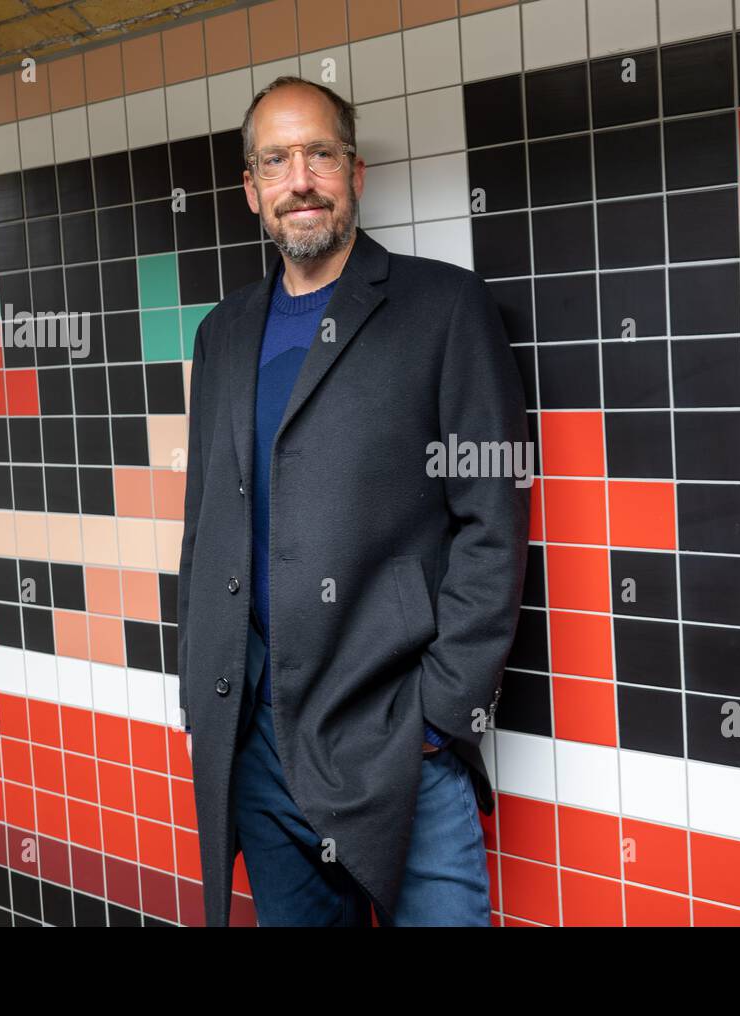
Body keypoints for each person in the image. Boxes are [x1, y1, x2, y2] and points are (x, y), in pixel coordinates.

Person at [176, 75, 531, 926]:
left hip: (394, 740)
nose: (299, 178)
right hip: (256, 742)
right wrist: (204, 692)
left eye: (319, 154)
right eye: (276, 160)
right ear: (251, 189)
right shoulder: (222, 333)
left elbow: (495, 520)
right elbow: (205, 524)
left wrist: (440, 715)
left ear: (354, 172)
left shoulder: (444, 307)